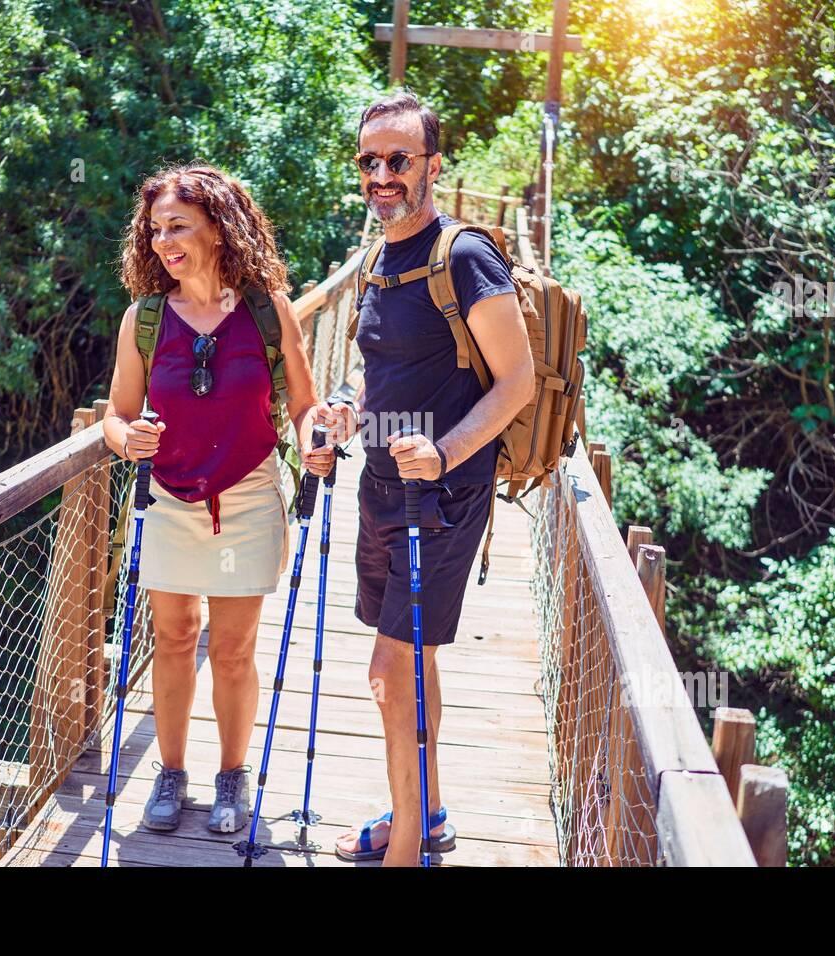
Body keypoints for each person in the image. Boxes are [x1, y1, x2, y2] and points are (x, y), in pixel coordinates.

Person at [324, 93, 535, 866]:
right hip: (381, 488)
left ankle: (406, 847)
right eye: (369, 161)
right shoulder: (380, 257)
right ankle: (428, 811)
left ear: (432, 166)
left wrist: (445, 452)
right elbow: (376, 371)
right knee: (414, 662)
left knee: (390, 670)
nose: (381, 175)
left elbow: (518, 383)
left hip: (443, 497)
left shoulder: (465, 256)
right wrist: (346, 410)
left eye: (398, 160)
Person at [103, 163, 334, 836]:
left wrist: (315, 439)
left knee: (232, 650)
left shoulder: (267, 310)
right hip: (169, 500)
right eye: (154, 232)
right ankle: (170, 775)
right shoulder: (143, 319)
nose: (164, 243)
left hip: (249, 494)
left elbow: (304, 403)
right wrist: (129, 440)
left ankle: (232, 776)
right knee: (172, 640)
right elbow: (117, 416)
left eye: (179, 227)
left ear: (218, 227)